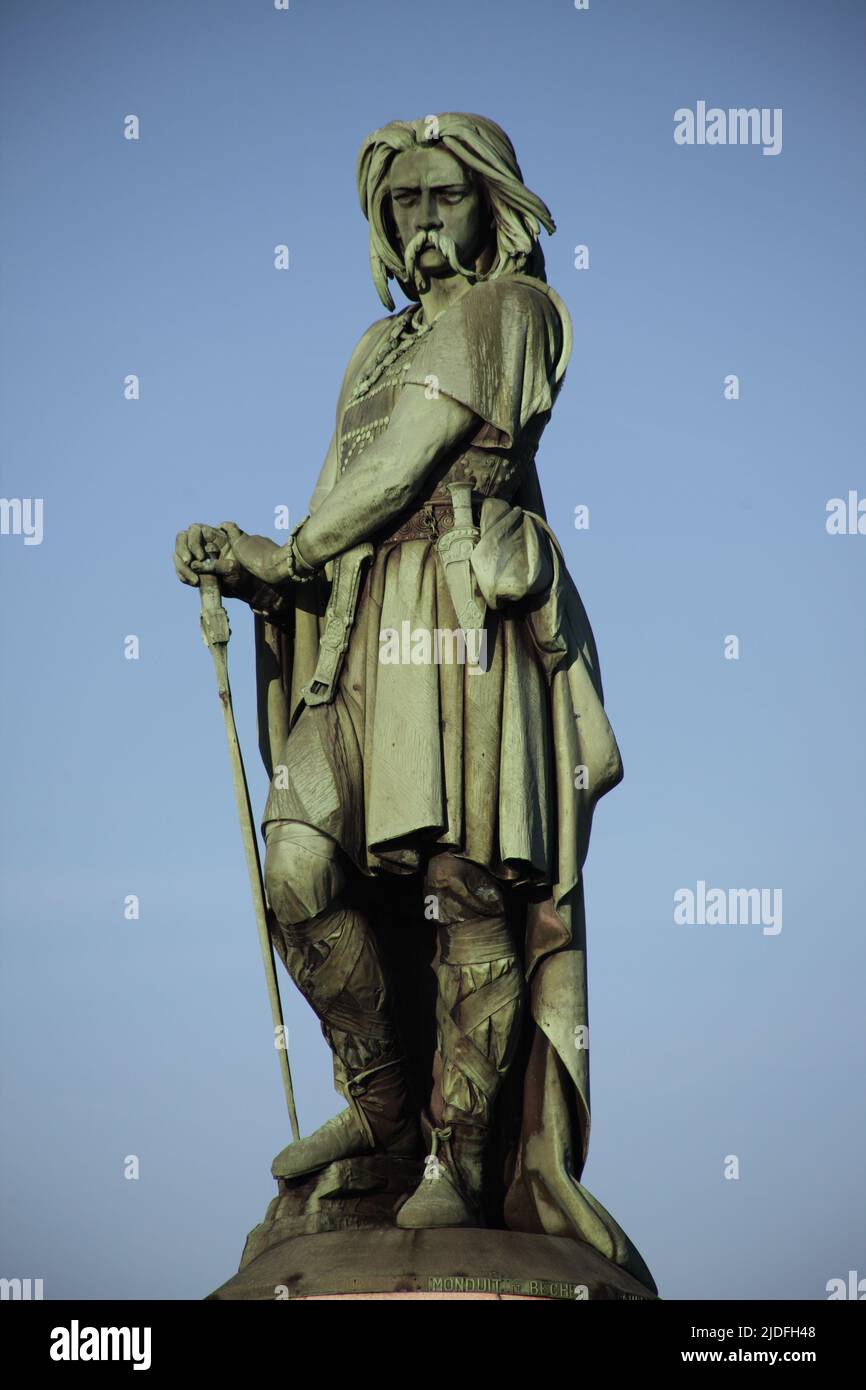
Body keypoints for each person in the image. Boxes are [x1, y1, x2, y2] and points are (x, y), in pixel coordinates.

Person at [174, 113, 655, 1292]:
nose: (424, 224)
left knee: (462, 885)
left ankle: (458, 1148)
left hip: (461, 621)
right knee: (295, 863)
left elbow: (399, 466)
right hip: (357, 630)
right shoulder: (368, 349)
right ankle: (384, 1110)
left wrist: (278, 552)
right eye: (403, 207)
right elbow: (340, 492)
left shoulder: (512, 315)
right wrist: (258, 568)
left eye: (444, 199)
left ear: (490, 203)